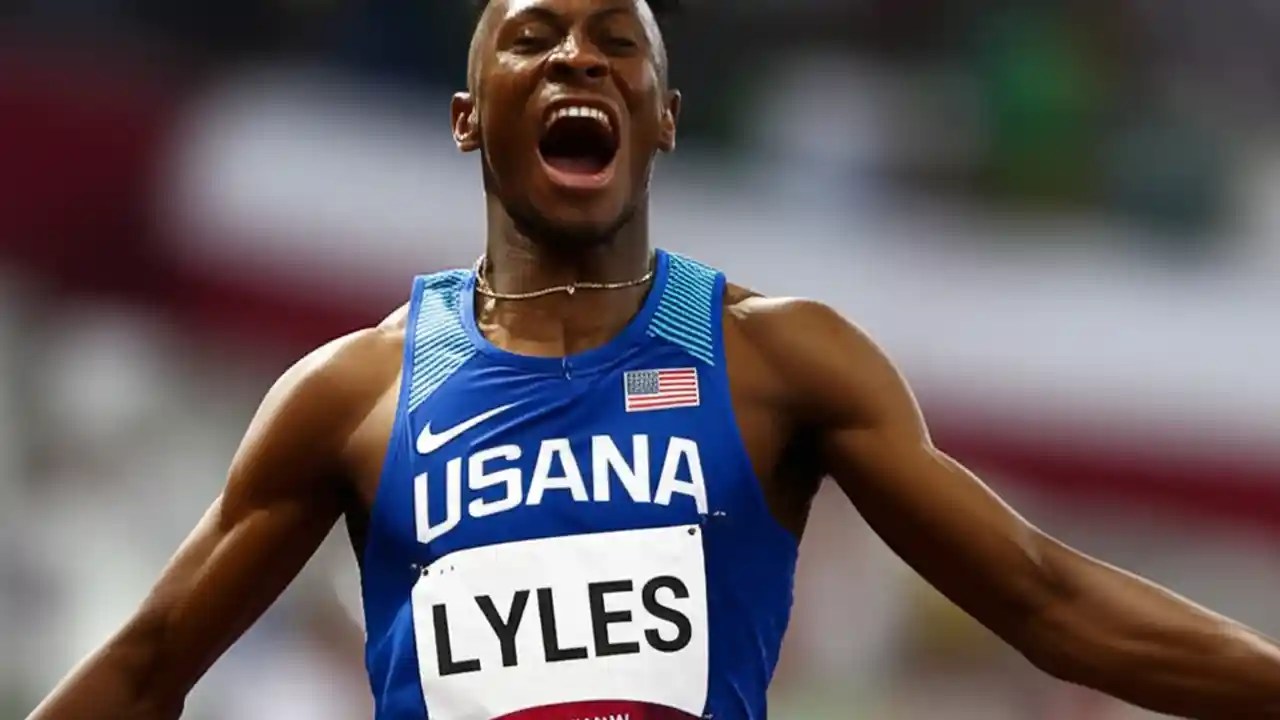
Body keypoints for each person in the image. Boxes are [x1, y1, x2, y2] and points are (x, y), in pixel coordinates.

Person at [29, 1, 1280, 718]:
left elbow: (1048, 602)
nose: (578, 60)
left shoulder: (783, 363)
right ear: (467, 119)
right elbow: (143, 667)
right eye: (532, 39)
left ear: (665, 119)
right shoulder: (351, 395)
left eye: (615, 45)